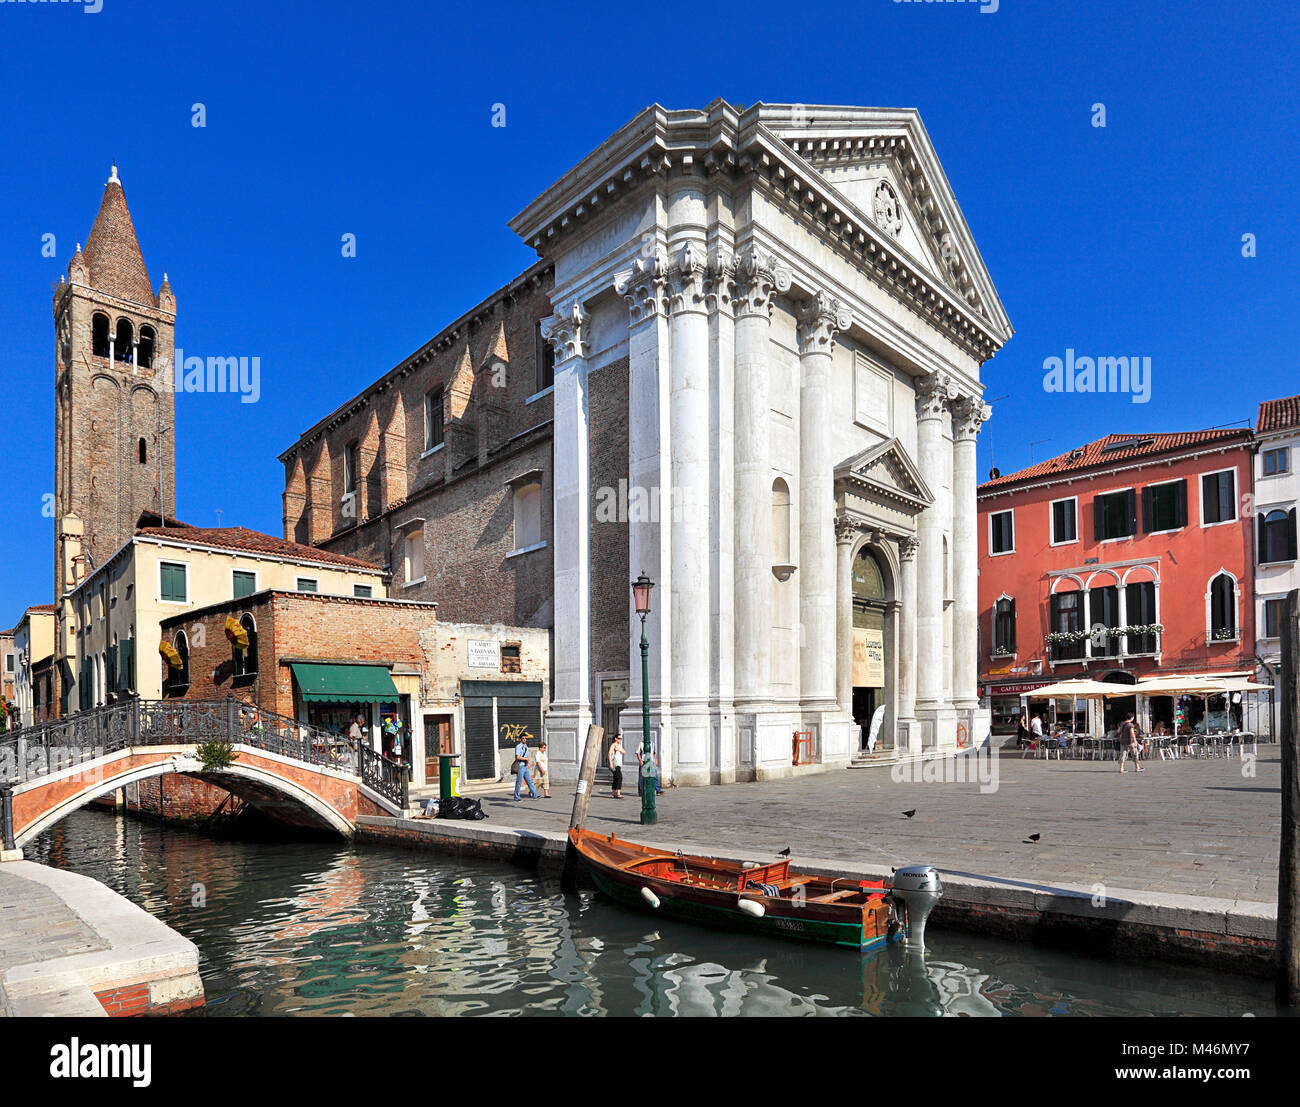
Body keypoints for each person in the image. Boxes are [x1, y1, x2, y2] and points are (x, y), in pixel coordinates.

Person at [513, 736, 539, 800]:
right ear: (520, 739)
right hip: (520, 766)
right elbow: (517, 757)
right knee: (519, 782)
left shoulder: (526, 747)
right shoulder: (518, 746)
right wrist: (525, 759)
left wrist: (527, 763)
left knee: (529, 781)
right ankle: (516, 797)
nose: (524, 739)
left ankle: (535, 795)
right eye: (523, 738)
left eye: (525, 738)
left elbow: (526, 756)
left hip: (525, 766)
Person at [608, 733, 625, 799]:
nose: (620, 740)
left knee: (616, 778)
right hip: (614, 764)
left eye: (621, 738)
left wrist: (619, 749)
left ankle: (613, 793)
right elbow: (609, 754)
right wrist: (611, 764)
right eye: (619, 738)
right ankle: (618, 793)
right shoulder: (613, 745)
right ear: (616, 739)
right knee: (619, 777)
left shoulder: (619, 745)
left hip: (618, 763)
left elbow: (624, 752)